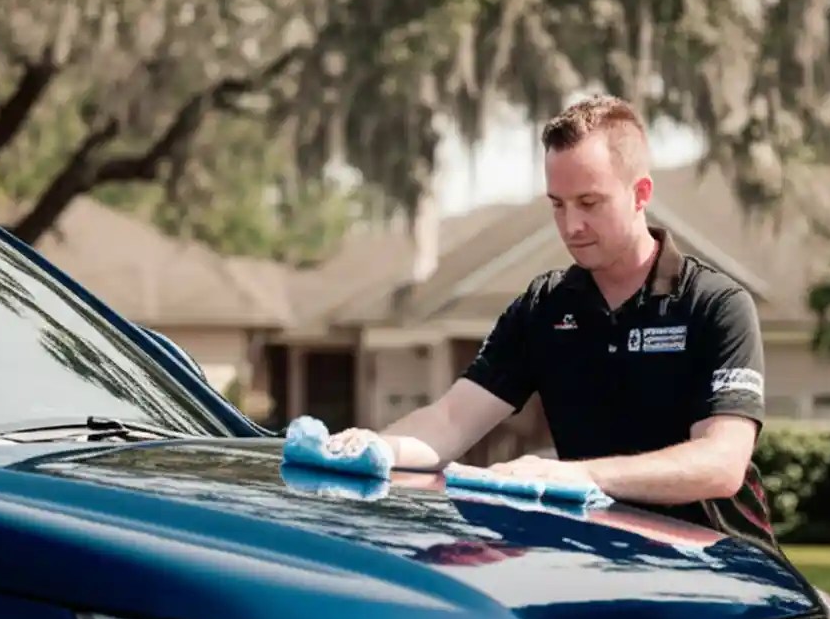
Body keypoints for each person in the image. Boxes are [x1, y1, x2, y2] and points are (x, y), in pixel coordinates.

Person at [327, 94, 778, 550]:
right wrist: (376, 449)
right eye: (557, 205)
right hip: (602, 561)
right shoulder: (544, 307)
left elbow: (722, 464)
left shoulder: (714, 304)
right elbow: (450, 420)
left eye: (589, 202)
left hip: (729, 572)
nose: (571, 225)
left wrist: (573, 475)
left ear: (641, 193)